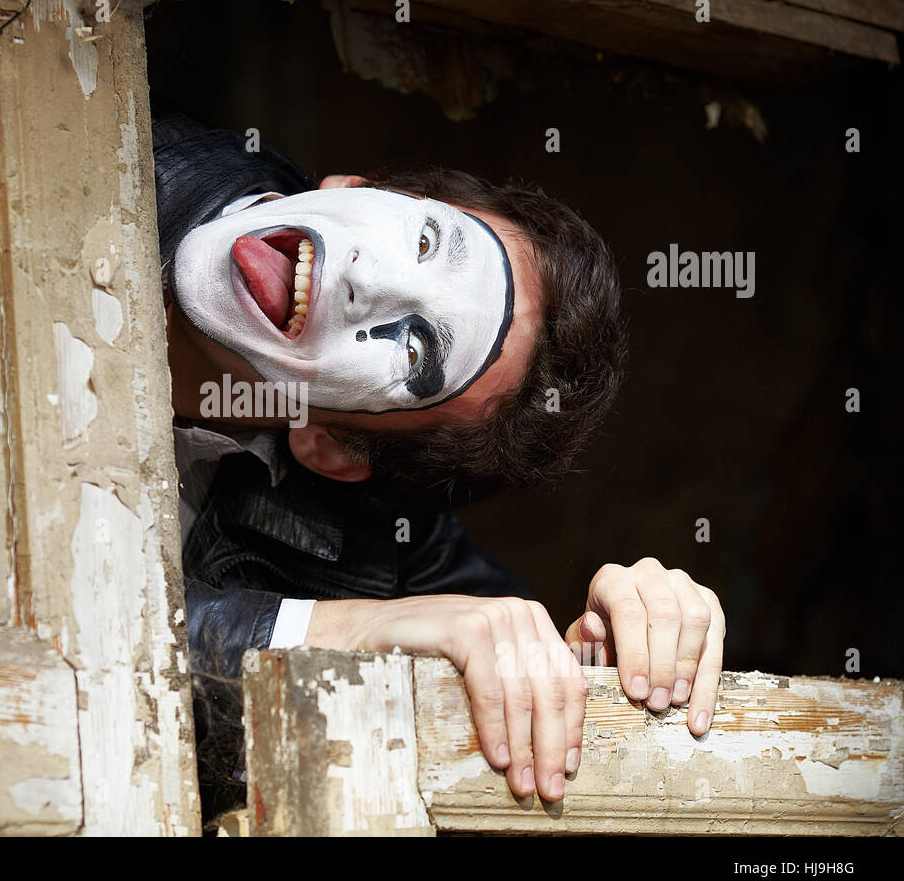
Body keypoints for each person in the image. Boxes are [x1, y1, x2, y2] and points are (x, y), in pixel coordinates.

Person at [152, 96, 726, 824]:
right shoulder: (91, 132)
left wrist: (609, 658)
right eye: (424, 241)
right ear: (354, 188)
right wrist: (338, 634)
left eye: (418, 350)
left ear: (328, 448)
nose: (365, 276)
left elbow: (482, 623)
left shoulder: (354, 520)